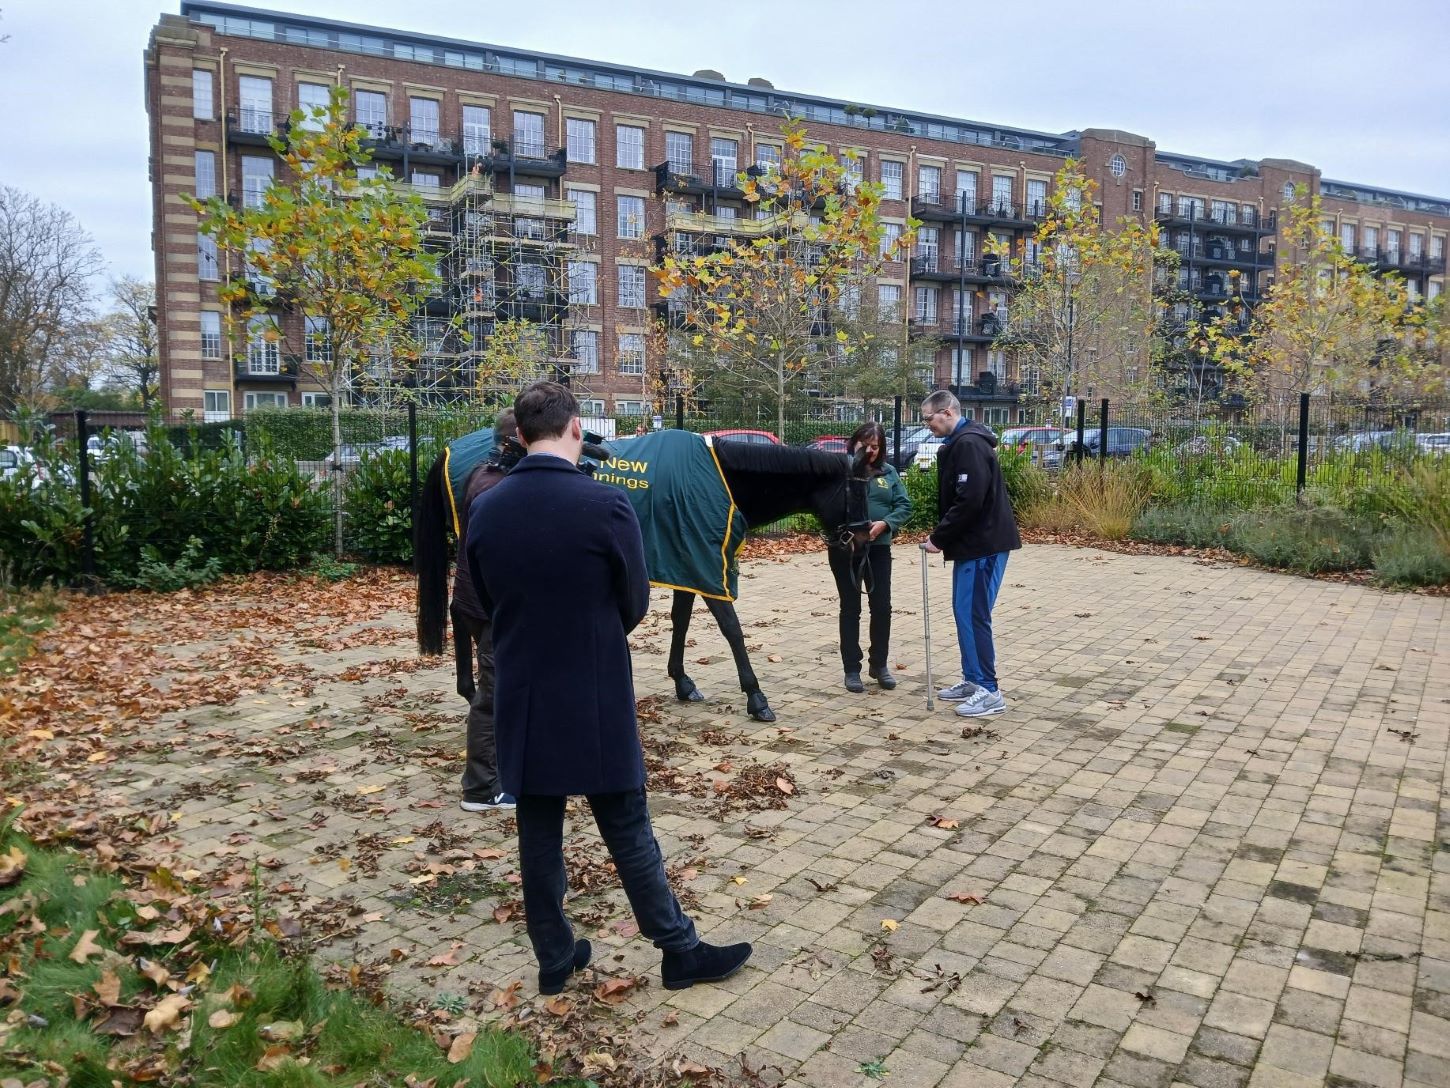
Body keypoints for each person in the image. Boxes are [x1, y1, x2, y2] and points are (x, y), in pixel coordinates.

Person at [466, 381, 752, 995]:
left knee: (537, 830)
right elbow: (634, 602)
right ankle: (679, 950)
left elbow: (482, 598)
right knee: (626, 823)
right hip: (592, 687)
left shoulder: (487, 507)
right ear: (576, 429)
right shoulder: (607, 505)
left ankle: (554, 956)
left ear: (519, 435)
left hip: (522, 689)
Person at [920, 391, 1021, 717]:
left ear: (947, 412)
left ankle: (990, 691)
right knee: (964, 613)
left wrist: (938, 537)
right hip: (972, 546)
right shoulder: (963, 442)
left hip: (985, 546)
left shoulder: (969, 445)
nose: (927, 426)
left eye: (929, 419)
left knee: (975, 614)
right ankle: (973, 679)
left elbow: (970, 500)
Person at [451, 410, 518, 813]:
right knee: (492, 693)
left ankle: (505, 765)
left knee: (502, 684)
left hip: (473, 600)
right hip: (491, 605)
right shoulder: (498, 487)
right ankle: (480, 788)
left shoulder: (479, 472)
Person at [831, 422, 911, 693]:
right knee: (850, 608)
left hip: (878, 549)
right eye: (864, 445)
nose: (870, 451)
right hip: (846, 550)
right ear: (853, 444)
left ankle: (879, 664)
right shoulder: (838, 471)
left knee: (882, 607)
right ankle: (851, 669)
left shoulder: (888, 472)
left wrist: (886, 523)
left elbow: (904, 505)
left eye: (875, 446)